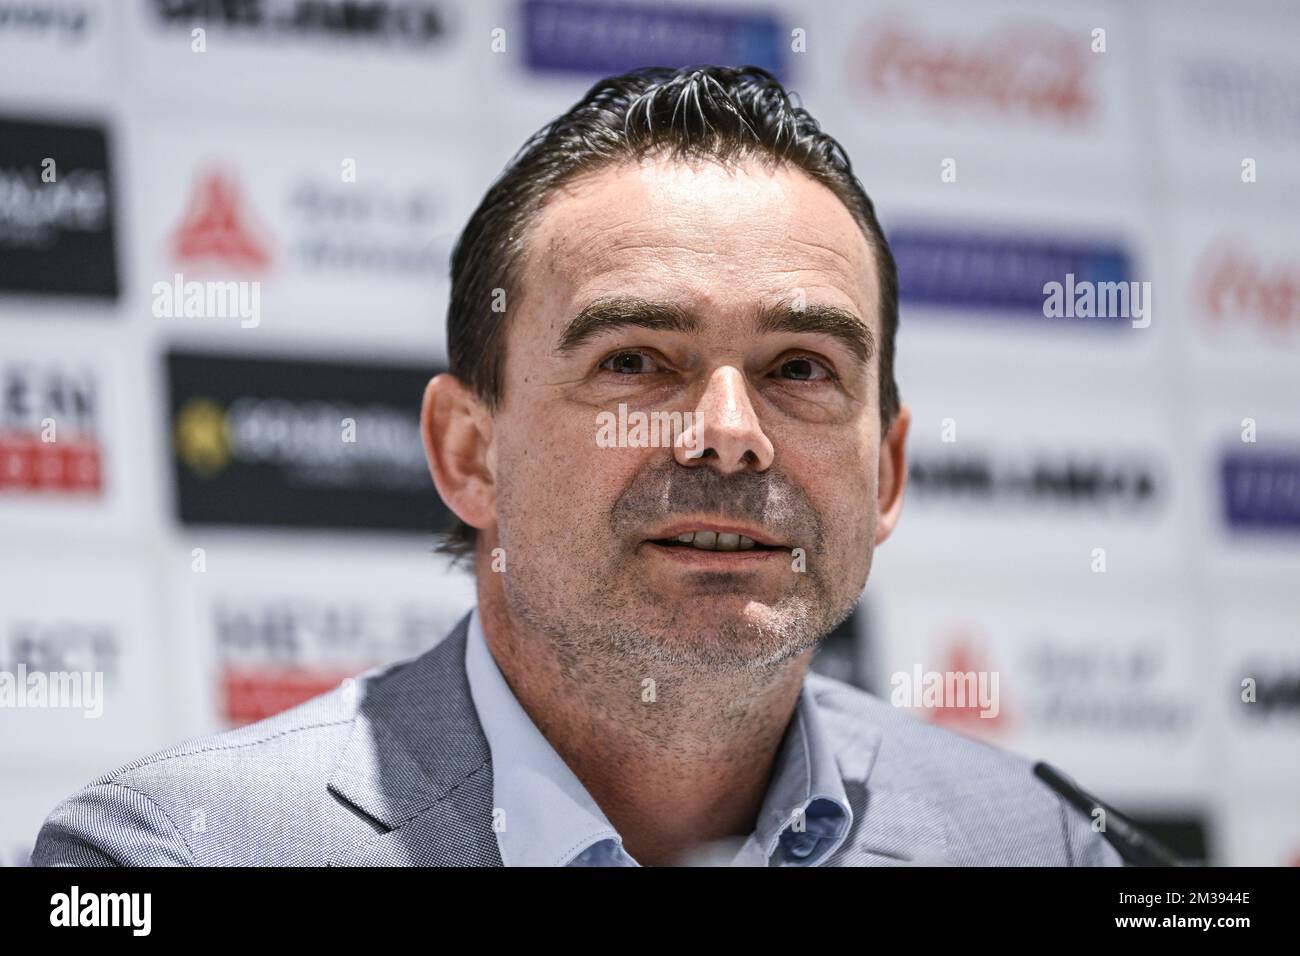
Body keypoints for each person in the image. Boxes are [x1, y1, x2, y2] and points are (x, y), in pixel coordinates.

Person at [32, 65, 1122, 867]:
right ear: (470, 454)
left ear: (884, 473)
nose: (729, 431)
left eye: (800, 365)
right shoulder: (171, 854)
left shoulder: (1042, 842)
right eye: (637, 359)